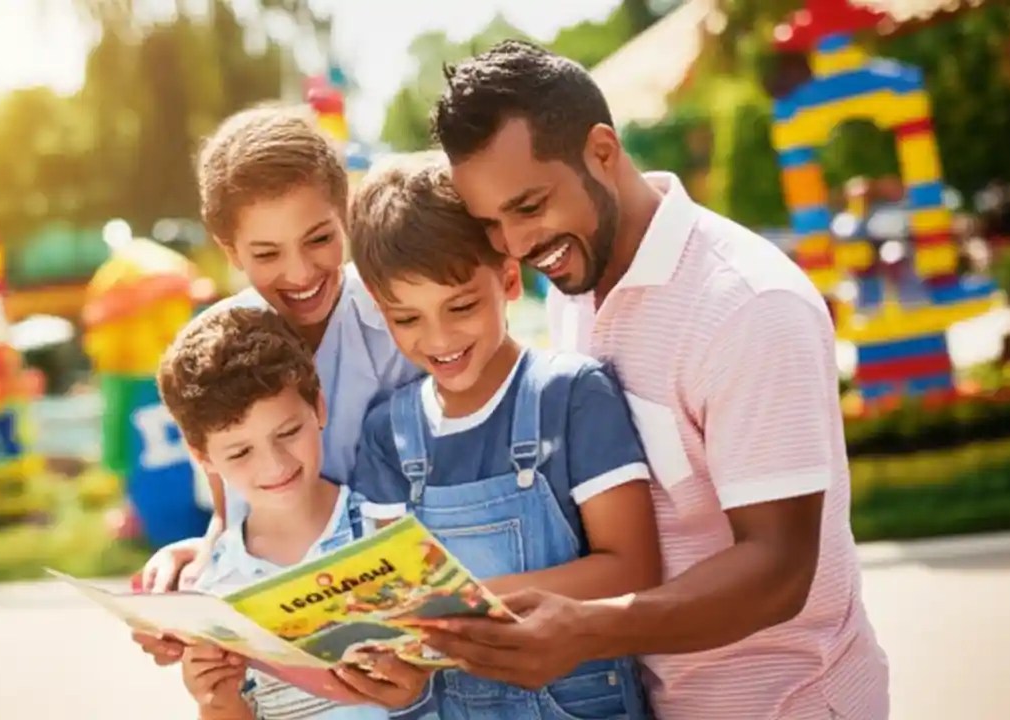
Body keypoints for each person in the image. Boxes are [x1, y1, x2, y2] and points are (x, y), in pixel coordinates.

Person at [411, 40, 890, 720]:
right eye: (492, 223)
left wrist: (588, 626)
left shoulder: (747, 305)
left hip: (788, 704)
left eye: (529, 205)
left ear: (602, 151)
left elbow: (780, 569)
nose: (516, 245)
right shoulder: (572, 285)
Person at [347, 154, 661, 720]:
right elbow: (390, 608)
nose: (438, 338)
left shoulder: (570, 395)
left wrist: (469, 605)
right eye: (407, 318)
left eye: (460, 305)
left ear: (510, 279)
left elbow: (634, 569)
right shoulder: (387, 434)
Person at [132, 105, 420, 638]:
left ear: (346, 213)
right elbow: (230, 515)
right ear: (229, 250)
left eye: (319, 239)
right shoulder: (213, 349)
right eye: (266, 253)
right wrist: (198, 572)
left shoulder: (404, 320)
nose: (301, 272)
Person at [157, 306, 432, 719]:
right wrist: (216, 699)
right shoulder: (214, 587)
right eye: (240, 451)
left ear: (318, 408)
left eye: (288, 432)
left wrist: (415, 689)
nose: (274, 465)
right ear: (203, 457)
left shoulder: (388, 529)